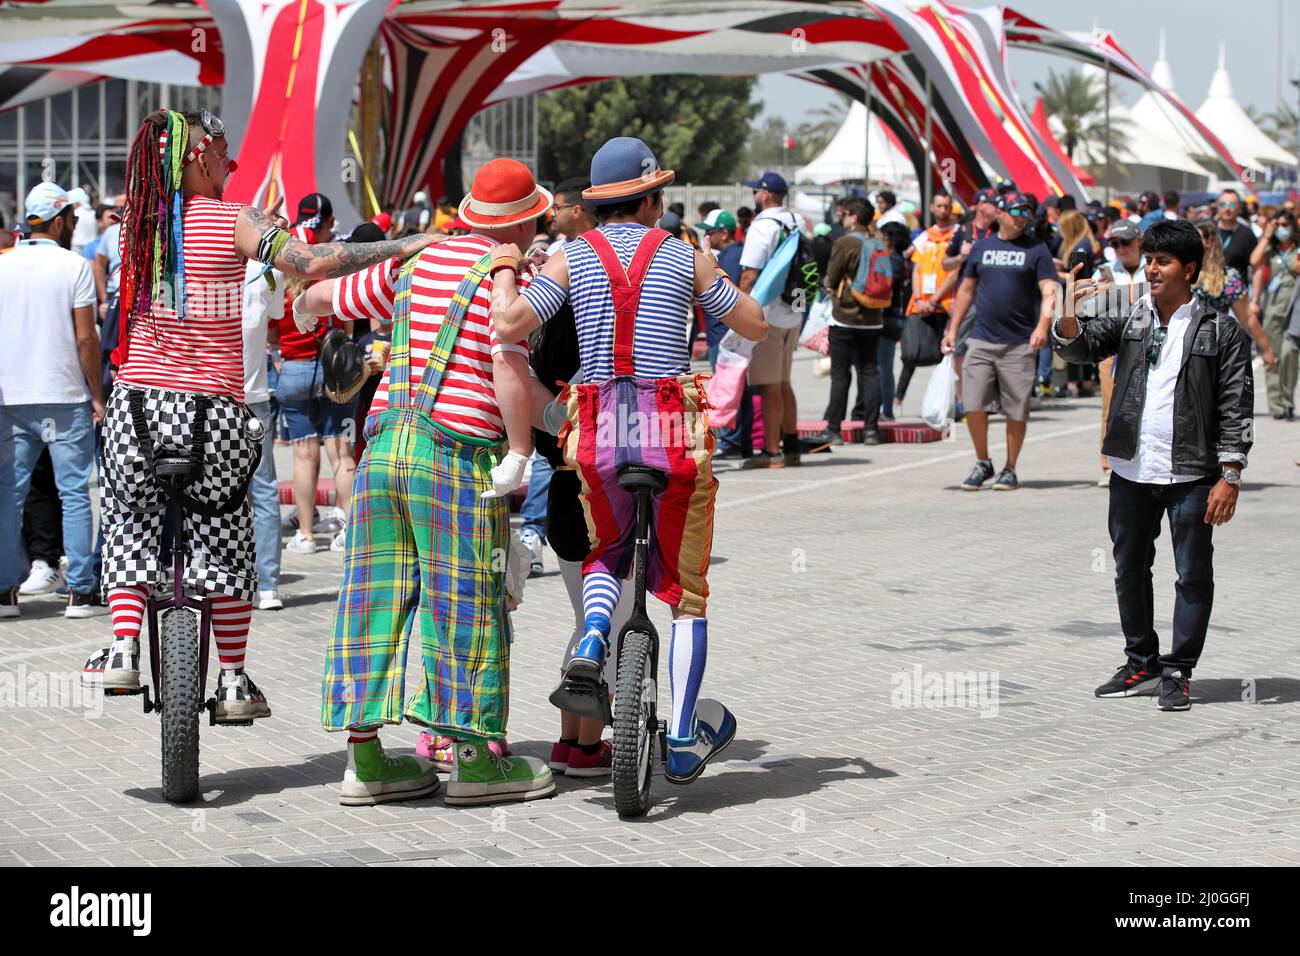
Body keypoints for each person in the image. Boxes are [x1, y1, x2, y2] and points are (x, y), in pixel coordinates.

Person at [80, 107, 438, 713]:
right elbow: (311, 264)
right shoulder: (234, 220)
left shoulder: (133, 232)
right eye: (224, 153)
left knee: (126, 520)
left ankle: (120, 647)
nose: (232, 164)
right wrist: (407, 245)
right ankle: (234, 680)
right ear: (198, 156)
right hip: (214, 416)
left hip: (138, 411)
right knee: (226, 536)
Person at [491, 135, 767, 785]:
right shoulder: (684, 255)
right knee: (689, 594)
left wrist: (507, 264)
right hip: (668, 424)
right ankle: (678, 740)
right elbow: (750, 323)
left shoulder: (570, 257)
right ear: (650, 200)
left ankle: (591, 641)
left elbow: (511, 327)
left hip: (597, 430)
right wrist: (725, 293)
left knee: (606, 553)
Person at [297, 158, 555, 806]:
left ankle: (366, 762)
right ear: (521, 222)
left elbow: (329, 297)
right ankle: (473, 761)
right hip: (456, 456)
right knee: (465, 599)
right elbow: (506, 366)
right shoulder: (502, 278)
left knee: (372, 597)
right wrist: (523, 448)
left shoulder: (414, 265)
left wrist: (303, 304)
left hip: (382, 450)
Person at [1055, 220, 1253, 712]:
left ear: (1189, 269)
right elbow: (1079, 349)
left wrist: (1230, 476)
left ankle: (1178, 670)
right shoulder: (1130, 318)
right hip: (1131, 471)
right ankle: (1140, 661)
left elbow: (1236, 407)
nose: (1152, 268)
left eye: (1162, 261)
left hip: (1191, 476)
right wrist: (1068, 311)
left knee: (1192, 574)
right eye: (1148, 260)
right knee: (1128, 568)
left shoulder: (1220, 329)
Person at [0, 182, 105, 619]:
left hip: (12, 396)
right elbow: (85, 338)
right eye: (73, 220)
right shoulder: (73, 266)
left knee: (10, 494)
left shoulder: (3, 266)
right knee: (75, 494)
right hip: (64, 394)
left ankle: (6, 591)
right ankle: (80, 592)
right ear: (60, 221)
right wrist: (98, 395)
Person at [942, 191, 1058, 491]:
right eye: (1016, 212)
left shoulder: (1037, 250)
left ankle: (1010, 467)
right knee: (972, 404)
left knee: (1016, 408)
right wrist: (952, 330)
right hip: (981, 341)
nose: (1022, 218)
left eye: (1026, 213)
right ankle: (983, 461)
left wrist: (1042, 326)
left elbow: (1050, 290)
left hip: (1019, 343)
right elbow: (966, 290)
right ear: (1000, 214)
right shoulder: (981, 248)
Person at [520, 177, 596, 575]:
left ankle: (532, 533)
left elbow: (515, 320)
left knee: (558, 468)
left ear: (578, 210)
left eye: (558, 208)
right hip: (569, 399)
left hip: (574, 397)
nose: (552, 216)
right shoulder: (560, 255)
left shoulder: (576, 259)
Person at [278, 194, 355, 554]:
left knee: (303, 455)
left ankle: (306, 535)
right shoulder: (334, 262)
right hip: (334, 367)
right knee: (340, 453)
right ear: (325, 224)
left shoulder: (283, 262)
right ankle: (349, 531)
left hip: (293, 367)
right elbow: (351, 315)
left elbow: (272, 325)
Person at [737, 171, 807, 468]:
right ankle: (791, 447)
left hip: (769, 315)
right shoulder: (797, 221)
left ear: (765, 194)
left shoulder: (762, 226)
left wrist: (736, 306)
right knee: (784, 383)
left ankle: (771, 452)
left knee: (768, 387)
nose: (754, 196)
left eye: (756, 191)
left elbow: (750, 273)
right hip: (794, 311)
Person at [811, 196, 883, 445]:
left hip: (845, 317)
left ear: (854, 216)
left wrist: (831, 286)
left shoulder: (845, 242)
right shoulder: (878, 241)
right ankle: (872, 429)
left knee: (841, 375)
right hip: (874, 316)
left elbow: (831, 278)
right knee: (870, 371)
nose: (842, 218)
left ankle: (833, 429)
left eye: (845, 214)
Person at [1085, 219, 1148, 486]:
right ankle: (1109, 464)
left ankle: (1144, 458)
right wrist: (1100, 294)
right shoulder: (1105, 271)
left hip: (1149, 343)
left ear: (1139, 241)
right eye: (1115, 244)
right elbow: (1088, 311)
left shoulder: (1154, 266)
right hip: (1114, 347)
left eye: (1126, 242)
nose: (1121, 248)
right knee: (1112, 405)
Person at [241, 251, 285, 610]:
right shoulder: (265, 270)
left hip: (214, 394)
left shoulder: (198, 260)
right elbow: (275, 320)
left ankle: (211, 571)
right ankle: (267, 584)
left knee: (207, 491)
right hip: (253, 394)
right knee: (264, 488)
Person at [698, 208, 753, 460]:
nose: (707, 237)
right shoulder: (739, 252)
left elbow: (725, 294)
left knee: (730, 389)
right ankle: (741, 441)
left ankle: (732, 441)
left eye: (710, 232)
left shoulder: (730, 257)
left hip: (724, 333)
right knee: (739, 388)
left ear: (723, 233)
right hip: (729, 332)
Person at [941, 188, 1000, 418]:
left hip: (993, 298)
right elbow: (946, 264)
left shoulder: (999, 232)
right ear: (978, 206)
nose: (996, 208)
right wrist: (961, 256)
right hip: (967, 297)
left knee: (993, 347)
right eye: (991, 203)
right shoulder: (964, 232)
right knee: (959, 348)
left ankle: (988, 399)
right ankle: (962, 401)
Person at [896, 192, 958, 411]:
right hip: (920, 305)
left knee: (946, 356)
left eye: (947, 207)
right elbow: (916, 268)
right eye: (939, 206)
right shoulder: (926, 236)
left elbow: (955, 272)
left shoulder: (957, 235)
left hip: (944, 305)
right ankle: (897, 399)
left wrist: (934, 299)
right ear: (932, 208)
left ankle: (946, 404)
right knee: (911, 352)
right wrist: (921, 298)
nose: (943, 210)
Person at [1191, 219, 1276, 374]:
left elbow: (1247, 318)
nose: (1191, 242)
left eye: (1197, 238)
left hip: (1212, 351)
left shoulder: (1227, 277)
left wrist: (1266, 349)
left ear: (1209, 242)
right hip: (1181, 348)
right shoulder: (1181, 273)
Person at [1249, 211, 1299, 419]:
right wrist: (1267, 235)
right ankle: (1277, 406)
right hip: (1272, 308)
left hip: (1294, 310)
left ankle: (1287, 399)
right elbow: (1254, 261)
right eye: (1277, 224)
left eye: (1285, 224)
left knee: (1289, 354)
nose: (1281, 227)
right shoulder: (1270, 250)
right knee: (1272, 356)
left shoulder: (1297, 249)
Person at [1215, 189, 1256, 282]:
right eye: (1223, 205)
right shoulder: (1208, 231)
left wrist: (1255, 296)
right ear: (1218, 207)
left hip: (1236, 292)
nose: (1227, 209)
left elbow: (1257, 266)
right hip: (1208, 291)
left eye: (1232, 205)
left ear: (1240, 208)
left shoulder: (1247, 235)